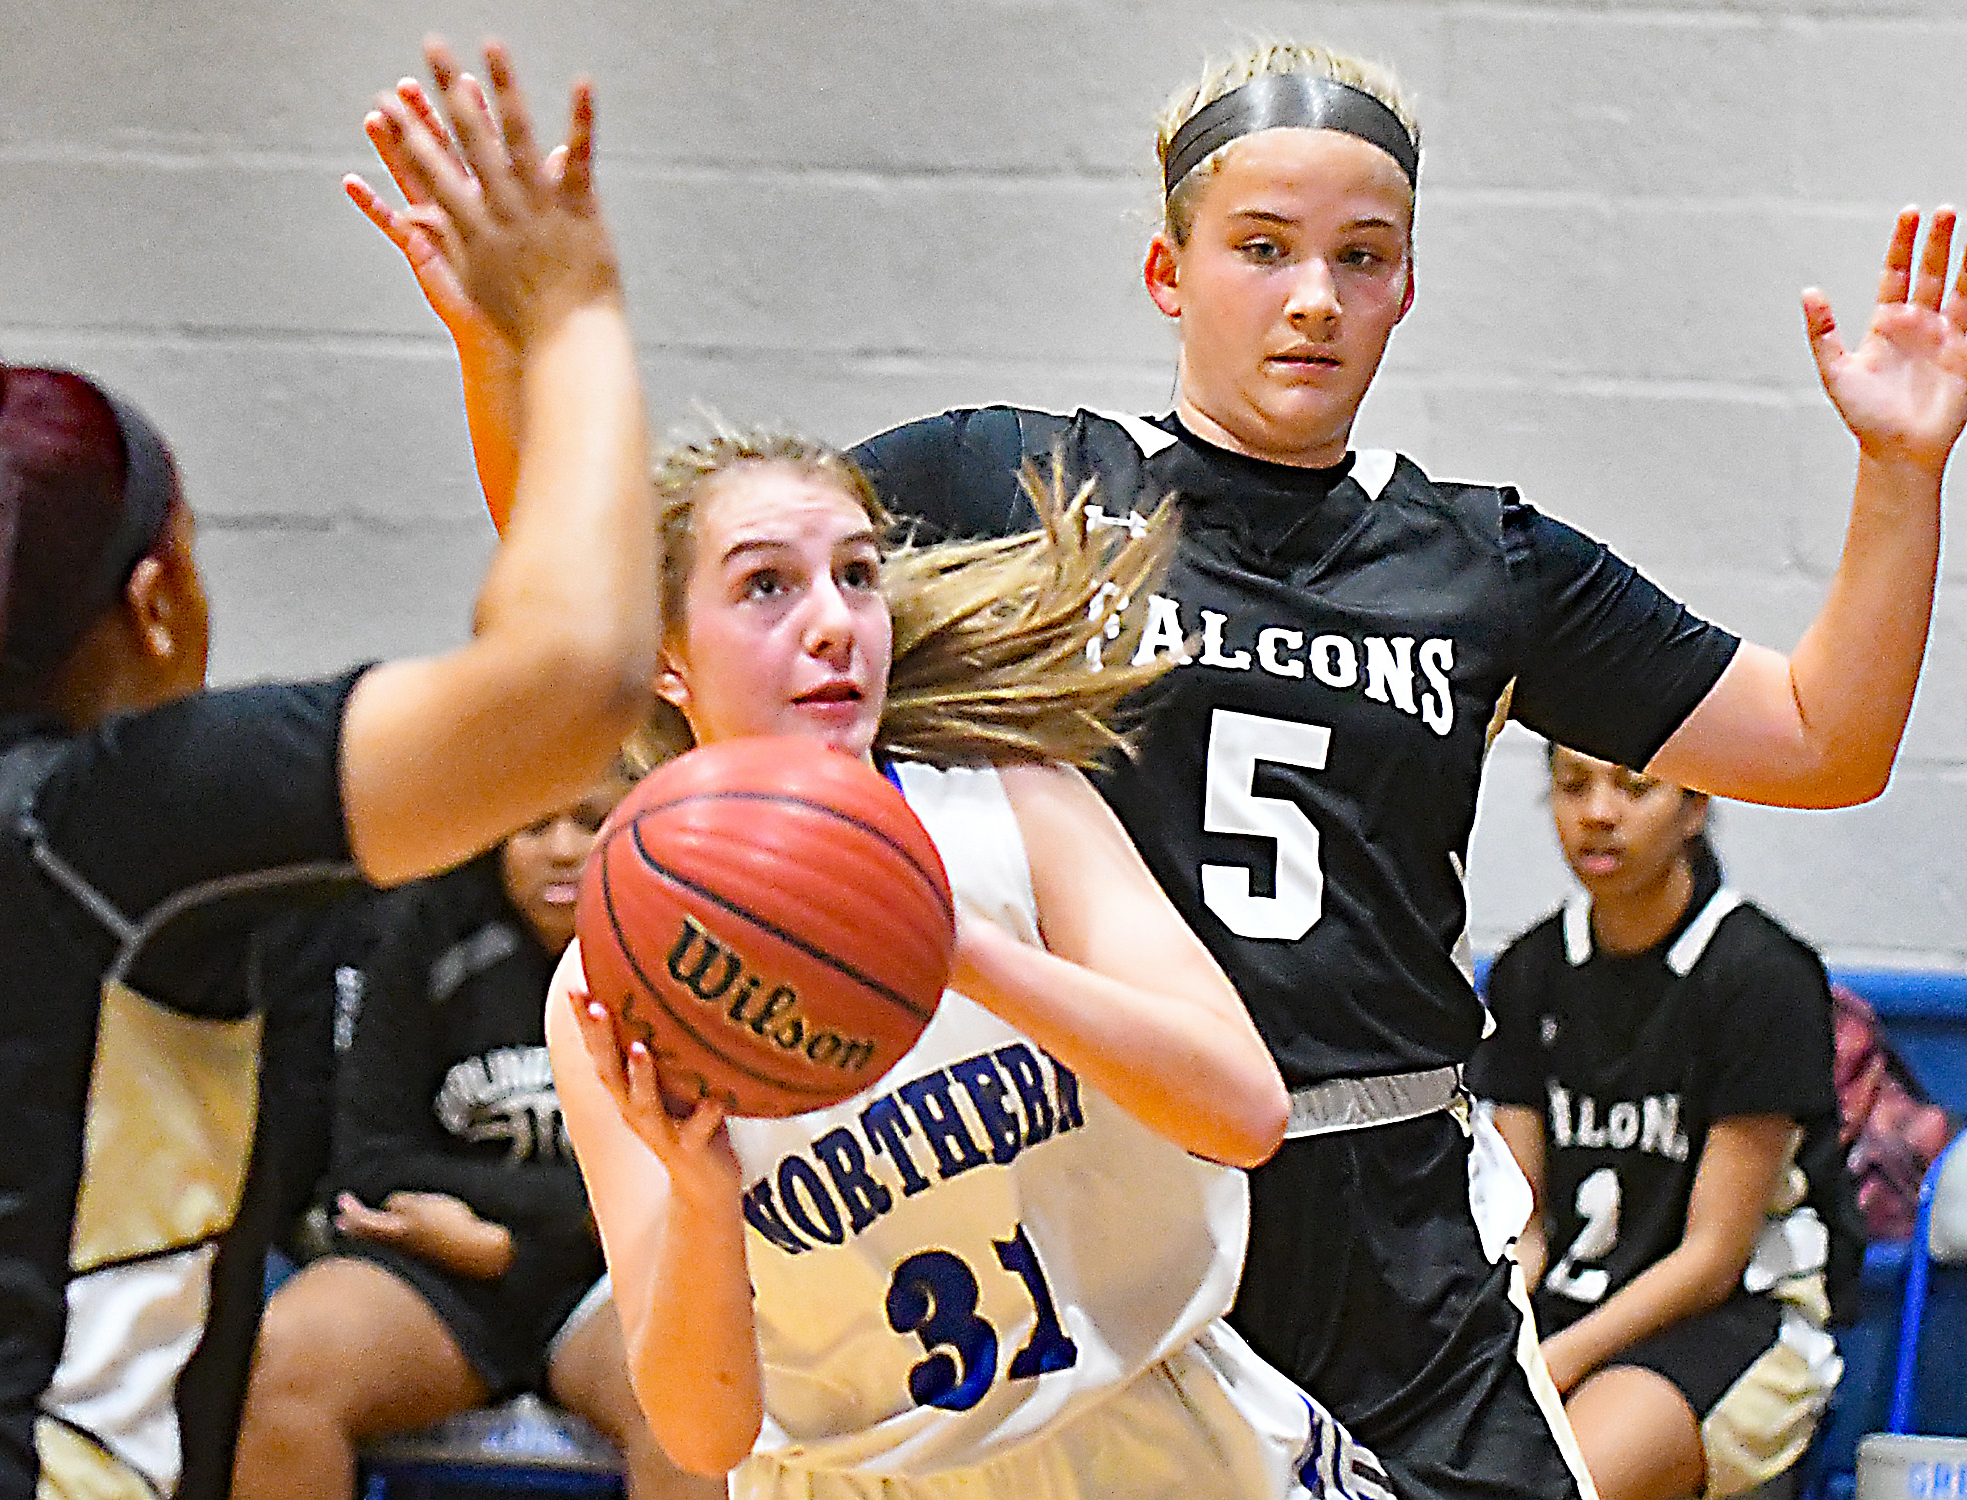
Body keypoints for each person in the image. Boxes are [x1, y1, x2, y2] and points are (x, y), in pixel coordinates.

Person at [351, 36, 1967, 1500]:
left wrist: (1900, 472)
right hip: (1101, 1176)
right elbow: (653, 599)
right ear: (1167, 271)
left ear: (1411, 286)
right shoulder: (1021, 481)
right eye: (1262, 250)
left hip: (1386, 1202)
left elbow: (1824, 741)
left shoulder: (1488, 559)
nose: (1313, 297)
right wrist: (512, 367)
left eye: (1361, 257)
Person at [0, 43, 658, 1500]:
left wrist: (497, 372)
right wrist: (574, 316)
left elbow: (515, 688)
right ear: (160, 595)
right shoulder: (123, 814)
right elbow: (567, 684)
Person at [534, 419, 1411, 1500]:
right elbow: (703, 1433)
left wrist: (955, 948)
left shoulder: (1010, 804)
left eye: (856, 575)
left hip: (1165, 1448)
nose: (832, 624)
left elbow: (1247, 1113)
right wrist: (706, 1200)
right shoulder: (614, 982)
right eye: (767, 586)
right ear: (666, 654)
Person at [232, 777, 720, 1500]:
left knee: (695, 1400)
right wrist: (524, 1231)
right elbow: (368, 1164)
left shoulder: (693, 952)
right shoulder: (423, 927)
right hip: (439, 1278)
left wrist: (508, 1245)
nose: (560, 851)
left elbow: (690, 1176)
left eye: (590, 823)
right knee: (283, 1366)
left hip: (608, 1277)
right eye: (531, 827)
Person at [1469, 748, 1856, 1500]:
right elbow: (1527, 1224)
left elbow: (1713, 1256)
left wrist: (1559, 1361)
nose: (1599, 813)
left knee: (1555, 1483)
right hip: (1569, 1306)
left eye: (1635, 787)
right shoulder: (1527, 971)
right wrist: (1490, 1342)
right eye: (1573, 786)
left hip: (1736, 1318)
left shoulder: (1762, 975)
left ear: (1695, 806)